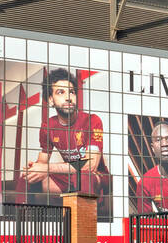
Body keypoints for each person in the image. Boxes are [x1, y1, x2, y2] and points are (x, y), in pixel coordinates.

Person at [26, 67, 110, 209]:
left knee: (84, 177)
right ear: (51, 100)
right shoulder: (47, 126)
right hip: (69, 177)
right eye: (61, 92)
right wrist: (34, 168)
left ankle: (83, 223)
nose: (68, 97)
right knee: (28, 178)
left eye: (71, 92)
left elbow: (90, 165)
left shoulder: (92, 120)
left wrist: (46, 168)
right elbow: (42, 160)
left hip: (96, 175)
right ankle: (31, 223)